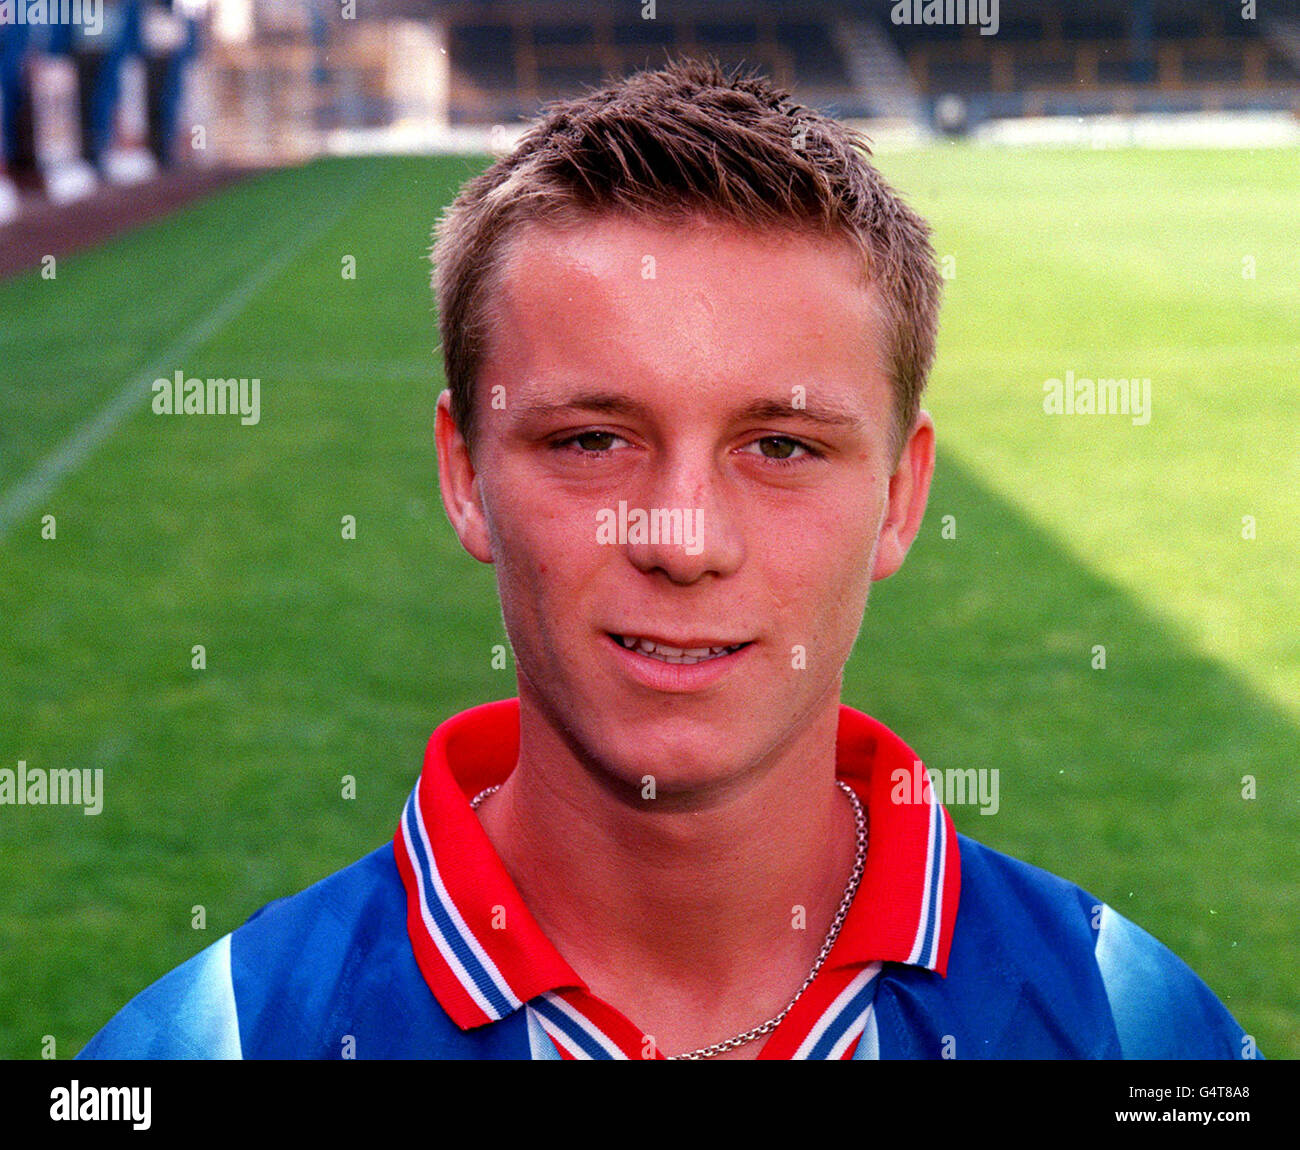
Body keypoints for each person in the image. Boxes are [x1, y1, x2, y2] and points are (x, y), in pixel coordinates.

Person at [78, 59, 1252, 1060]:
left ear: (900, 498)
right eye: (590, 440)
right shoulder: (217, 1037)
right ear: (463, 472)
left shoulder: (1128, 1021)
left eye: (781, 444)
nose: (682, 539)